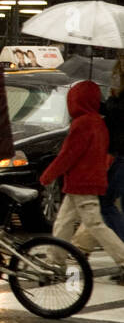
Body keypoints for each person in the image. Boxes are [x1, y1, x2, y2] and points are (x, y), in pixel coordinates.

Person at [41, 80, 124, 283]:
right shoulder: (99, 122)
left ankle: (122, 259)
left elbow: (68, 155)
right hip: (88, 180)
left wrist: (48, 175)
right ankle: (55, 261)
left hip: (82, 182)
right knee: (64, 222)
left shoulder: (82, 124)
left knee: (94, 224)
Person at [101, 84, 124, 243]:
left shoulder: (117, 104)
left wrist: (110, 101)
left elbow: (117, 116)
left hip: (121, 155)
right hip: (119, 154)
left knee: (106, 203)